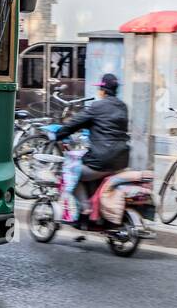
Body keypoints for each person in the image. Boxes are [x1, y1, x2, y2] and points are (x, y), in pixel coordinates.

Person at [51, 72, 130, 225]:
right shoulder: (123, 107)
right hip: (121, 160)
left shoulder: (97, 106)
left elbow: (75, 123)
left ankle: (85, 208)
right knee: (88, 165)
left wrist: (59, 135)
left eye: (99, 89)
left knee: (71, 172)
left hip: (102, 160)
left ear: (103, 90)